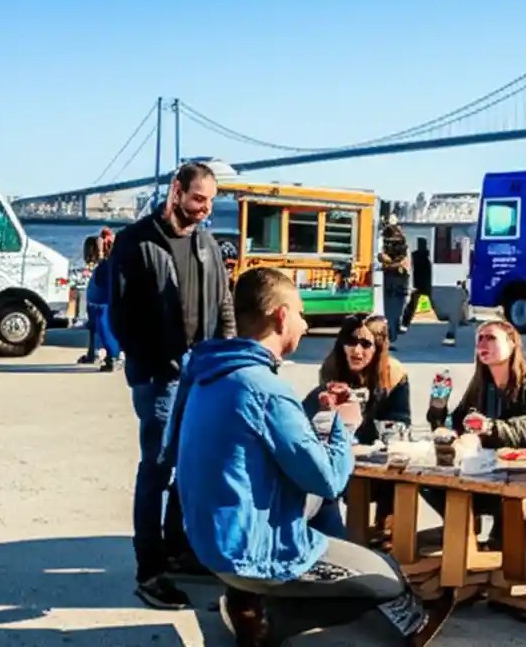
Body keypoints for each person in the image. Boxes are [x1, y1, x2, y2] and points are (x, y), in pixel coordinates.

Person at [168, 267, 448, 646]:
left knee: (322, 508)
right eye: (300, 314)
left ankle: (265, 604)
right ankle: (279, 614)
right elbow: (330, 479)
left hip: (208, 538)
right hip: (251, 550)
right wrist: (344, 425)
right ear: (281, 316)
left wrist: (313, 418)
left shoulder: (207, 372)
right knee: (388, 577)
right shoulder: (265, 388)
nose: (303, 324)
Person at [108, 161, 237, 609]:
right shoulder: (134, 243)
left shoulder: (208, 244)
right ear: (176, 191)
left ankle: (180, 551)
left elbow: (223, 304)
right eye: (199, 199)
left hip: (202, 371)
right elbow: (118, 317)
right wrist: (154, 361)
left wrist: (227, 357)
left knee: (193, 465)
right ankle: (151, 570)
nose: (205, 209)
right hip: (158, 377)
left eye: (211, 201)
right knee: (157, 469)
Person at [423, 319, 526, 547]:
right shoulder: (481, 383)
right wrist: (438, 406)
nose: (483, 343)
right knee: (428, 483)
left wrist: (489, 427)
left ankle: (490, 542)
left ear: (512, 344)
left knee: (510, 542)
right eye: (480, 339)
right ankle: (464, 532)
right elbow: (454, 425)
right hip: (488, 469)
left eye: (491, 337)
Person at [300, 313, 410, 539]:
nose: (356, 351)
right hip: (341, 452)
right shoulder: (332, 368)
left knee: (399, 477)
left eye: (365, 344)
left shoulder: (393, 373)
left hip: (378, 452)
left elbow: (401, 421)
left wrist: (370, 428)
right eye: (350, 341)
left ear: (378, 346)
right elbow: (315, 421)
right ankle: (332, 535)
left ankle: (388, 534)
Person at [85, 229, 121, 372]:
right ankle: (109, 355)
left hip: (103, 301)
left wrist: (101, 251)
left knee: (105, 327)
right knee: (101, 327)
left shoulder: (108, 264)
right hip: (100, 301)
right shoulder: (106, 264)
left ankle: (112, 356)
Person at [379, 220, 410, 345]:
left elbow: (382, 258)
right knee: (396, 309)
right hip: (401, 279)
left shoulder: (386, 244)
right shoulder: (403, 244)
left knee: (390, 310)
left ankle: (392, 334)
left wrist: (388, 264)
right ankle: (392, 334)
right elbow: (404, 262)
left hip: (390, 278)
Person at [76, 234, 103, 365]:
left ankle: (93, 354)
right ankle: (95, 353)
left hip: (93, 300)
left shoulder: (91, 268)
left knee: (94, 328)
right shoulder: (104, 265)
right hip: (99, 299)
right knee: (98, 328)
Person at [401, 237, 432, 332]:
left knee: (412, 305)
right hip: (425, 283)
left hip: (418, 283)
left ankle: (404, 323)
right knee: (413, 305)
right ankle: (404, 323)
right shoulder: (425, 256)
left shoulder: (416, 256)